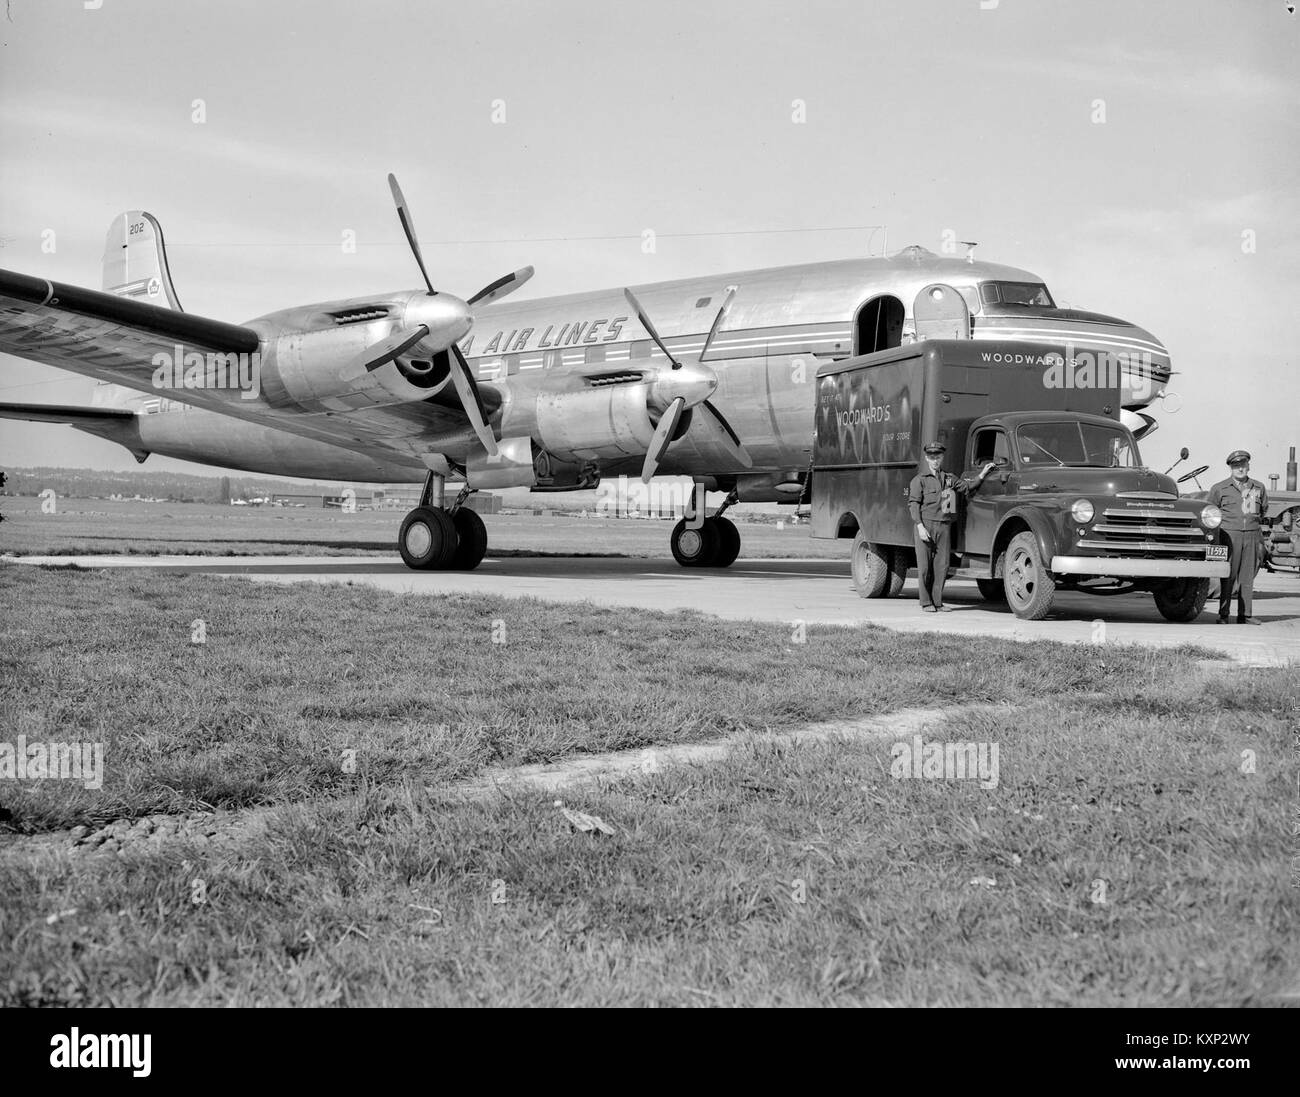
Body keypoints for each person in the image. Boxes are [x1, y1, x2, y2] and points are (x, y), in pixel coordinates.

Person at [908, 442, 997, 612]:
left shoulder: (949, 478)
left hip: (944, 527)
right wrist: (920, 526)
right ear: (927, 458)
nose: (935, 460)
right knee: (925, 567)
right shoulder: (919, 480)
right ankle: (926, 603)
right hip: (925, 525)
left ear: (942, 458)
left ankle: (938, 602)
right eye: (932, 457)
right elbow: (913, 505)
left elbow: (967, 487)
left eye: (938, 457)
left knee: (942, 566)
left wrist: (983, 473)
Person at [1206, 450, 1269, 624]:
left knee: (1247, 576)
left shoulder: (1258, 487)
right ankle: (1224, 614)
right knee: (1229, 575)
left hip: (1251, 535)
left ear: (1248, 466)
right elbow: (1211, 512)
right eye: (1236, 466)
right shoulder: (1219, 488)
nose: (1240, 469)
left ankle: (1245, 615)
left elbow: (1263, 510)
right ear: (1231, 468)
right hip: (1229, 535)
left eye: (1243, 465)